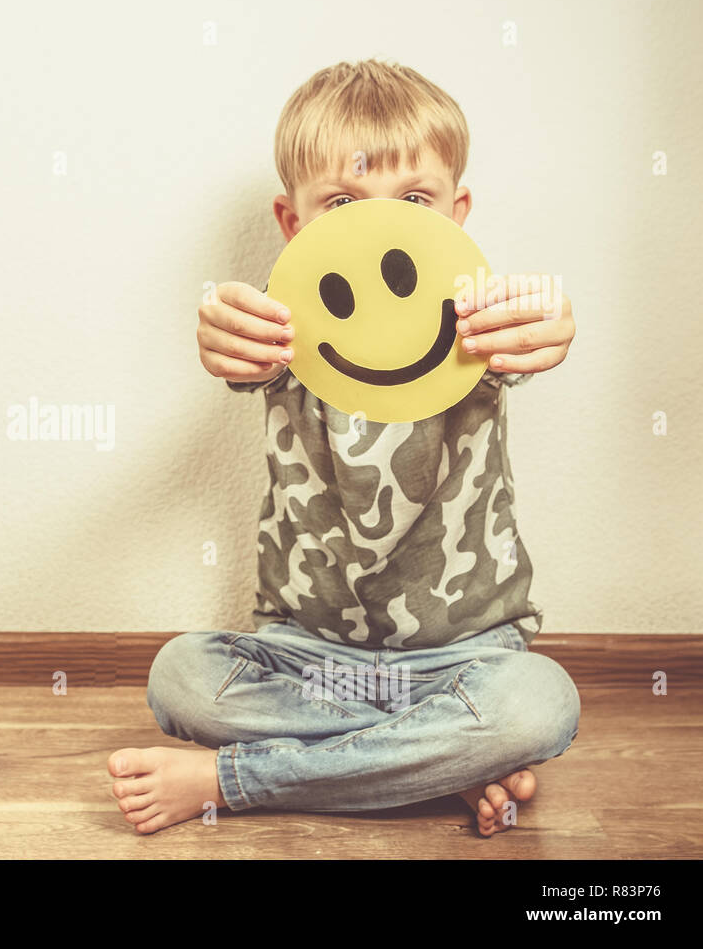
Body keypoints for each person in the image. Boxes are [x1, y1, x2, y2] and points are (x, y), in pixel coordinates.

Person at [109, 58, 579, 837]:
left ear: (454, 216)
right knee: (179, 679)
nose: (377, 225)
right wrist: (219, 323)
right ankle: (434, 763)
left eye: (414, 200)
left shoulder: (478, 329)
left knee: (542, 702)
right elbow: (229, 333)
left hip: (467, 660)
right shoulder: (281, 337)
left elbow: (541, 318)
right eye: (342, 203)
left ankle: (241, 781)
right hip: (305, 659)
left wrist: (551, 316)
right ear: (293, 225)